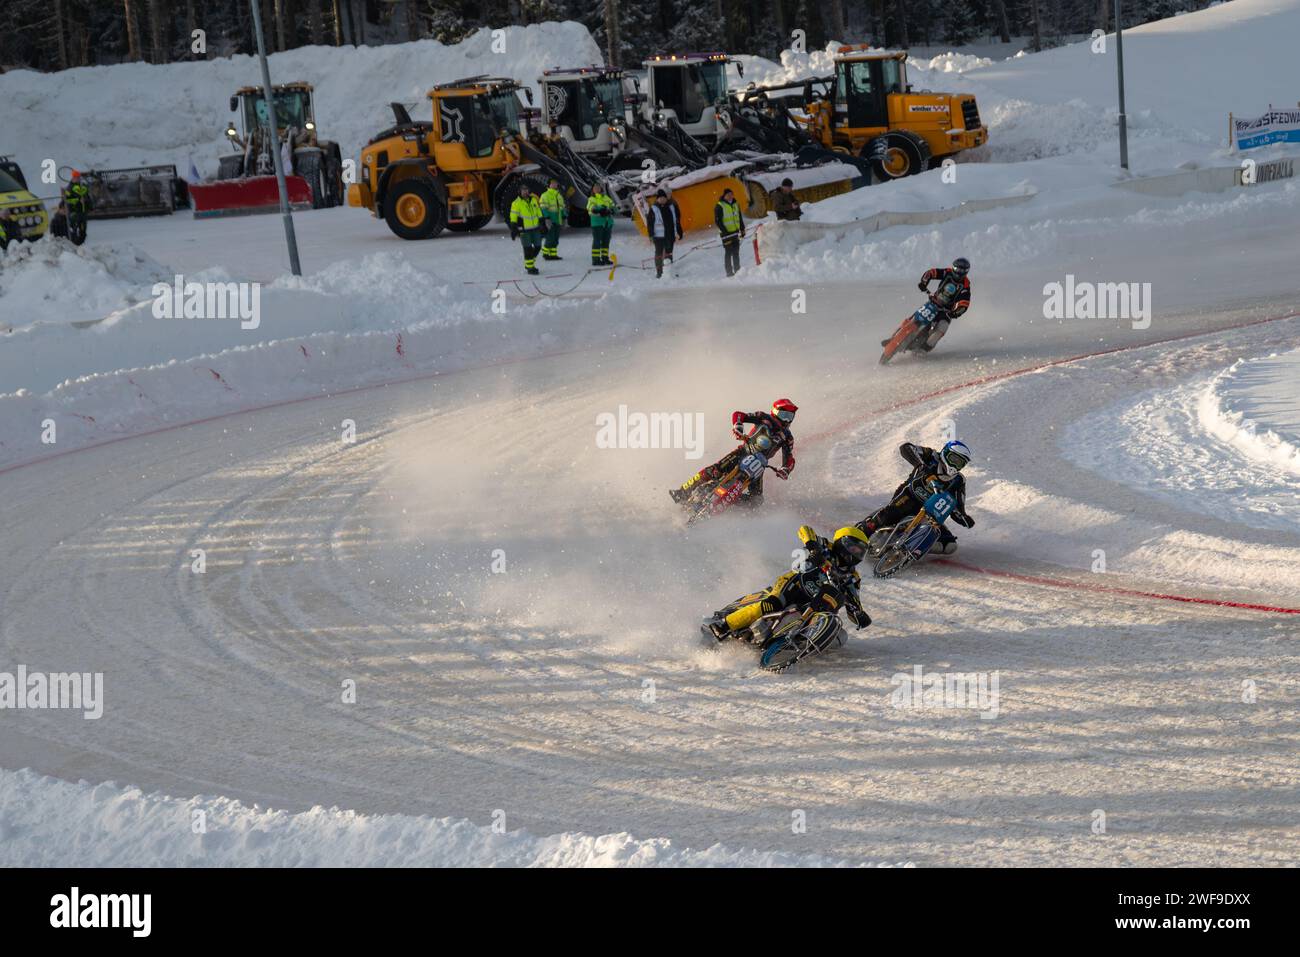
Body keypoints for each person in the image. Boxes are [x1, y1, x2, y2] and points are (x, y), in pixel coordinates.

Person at [704, 525, 872, 641]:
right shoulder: (826, 547)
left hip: (813, 603)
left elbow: (854, 601)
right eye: (854, 548)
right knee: (772, 605)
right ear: (842, 543)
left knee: (837, 632)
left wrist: (859, 616)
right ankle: (723, 626)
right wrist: (813, 547)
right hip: (794, 585)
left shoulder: (853, 577)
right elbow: (804, 530)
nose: (856, 554)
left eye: (860, 552)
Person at [671, 398, 797, 508]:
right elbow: (738, 414)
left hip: (759, 465)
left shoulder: (787, 437)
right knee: (714, 470)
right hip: (743, 451)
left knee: (756, 501)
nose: (787, 420)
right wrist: (738, 427)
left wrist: (786, 469)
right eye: (784, 414)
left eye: (790, 416)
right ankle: (682, 492)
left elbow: (789, 457)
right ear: (775, 411)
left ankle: (730, 504)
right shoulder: (763, 417)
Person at [855, 440, 974, 555]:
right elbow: (906, 448)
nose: (955, 465)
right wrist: (920, 465)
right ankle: (860, 533)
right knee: (888, 516)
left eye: (960, 463)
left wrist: (964, 518)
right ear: (945, 453)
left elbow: (957, 505)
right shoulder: (931, 456)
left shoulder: (959, 480)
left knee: (949, 545)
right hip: (909, 496)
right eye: (954, 460)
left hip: (930, 512)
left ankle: (908, 549)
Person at [887, 257, 972, 351]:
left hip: (946, 312)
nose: (958, 272)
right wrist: (923, 283)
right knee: (914, 318)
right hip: (933, 303)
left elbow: (964, 304)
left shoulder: (965, 286)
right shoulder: (947, 272)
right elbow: (931, 273)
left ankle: (925, 349)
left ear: (966, 271)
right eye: (957, 269)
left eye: (961, 270)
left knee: (942, 328)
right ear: (953, 268)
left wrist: (955, 312)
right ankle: (894, 337)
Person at [643, 189, 683, 278]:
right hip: (658, 236)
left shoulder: (671, 207)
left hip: (670, 235)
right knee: (659, 254)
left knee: (669, 254)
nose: (662, 199)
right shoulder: (654, 208)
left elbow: (676, 220)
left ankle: (669, 271)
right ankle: (659, 272)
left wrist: (679, 231)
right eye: (660, 198)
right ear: (657, 199)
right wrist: (651, 235)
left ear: (666, 198)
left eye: (663, 197)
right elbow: (650, 223)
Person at [508, 183, 544, 276]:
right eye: (523, 190)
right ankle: (530, 267)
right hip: (524, 230)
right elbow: (513, 216)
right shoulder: (516, 203)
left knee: (538, 246)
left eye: (526, 190)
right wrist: (513, 228)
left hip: (535, 228)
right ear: (519, 192)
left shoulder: (533, 200)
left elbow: (538, 211)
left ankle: (530, 262)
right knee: (527, 249)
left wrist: (542, 222)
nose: (525, 192)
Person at [714, 187, 745, 277]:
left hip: (735, 232)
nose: (730, 196)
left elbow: (739, 217)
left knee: (736, 251)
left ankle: (737, 270)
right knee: (728, 252)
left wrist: (742, 229)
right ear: (724, 196)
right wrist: (725, 232)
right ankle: (729, 272)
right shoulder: (719, 206)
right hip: (726, 234)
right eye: (728, 195)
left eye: (731, 194)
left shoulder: (735, 204)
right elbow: (718, 221)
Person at [586, 181, 615, 266]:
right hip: (597, 223)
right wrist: (599, 210)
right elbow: (590, 208)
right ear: (592, 190)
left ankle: (605, 258)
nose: (597, 189)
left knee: (606, 241)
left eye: (598, 187)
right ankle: (596, 260)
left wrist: (611, 210)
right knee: (597, 241)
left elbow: (613, 206)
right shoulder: (591, 199)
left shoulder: (606, 198)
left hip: (607, 222)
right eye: (595, 188)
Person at [538, 177, 566, 261]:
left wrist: (564, 215)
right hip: (550, 219)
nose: (554, 185)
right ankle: (546, 253)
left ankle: (553, 254)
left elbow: (562, 207)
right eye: (552, 183)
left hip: (558, 219)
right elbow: (543, 207)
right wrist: (547, 217)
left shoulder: (559, 195)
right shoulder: (545, 195)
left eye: (555, 183)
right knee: (550, 237)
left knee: (556, 238)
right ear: (549, 185)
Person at [63, 170, 92, 245]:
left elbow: (88, 197)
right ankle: (74, 244)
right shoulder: (69, 188)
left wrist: (88, 203)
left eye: (78, 177)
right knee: (74, 229)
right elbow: (68, 200)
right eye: (76, 177)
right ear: (73, 178)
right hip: (74, 212)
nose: (78, 178)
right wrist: (78, 200)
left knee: (83, 230)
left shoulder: (83, 187)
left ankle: (82, 244)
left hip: (83, 212)